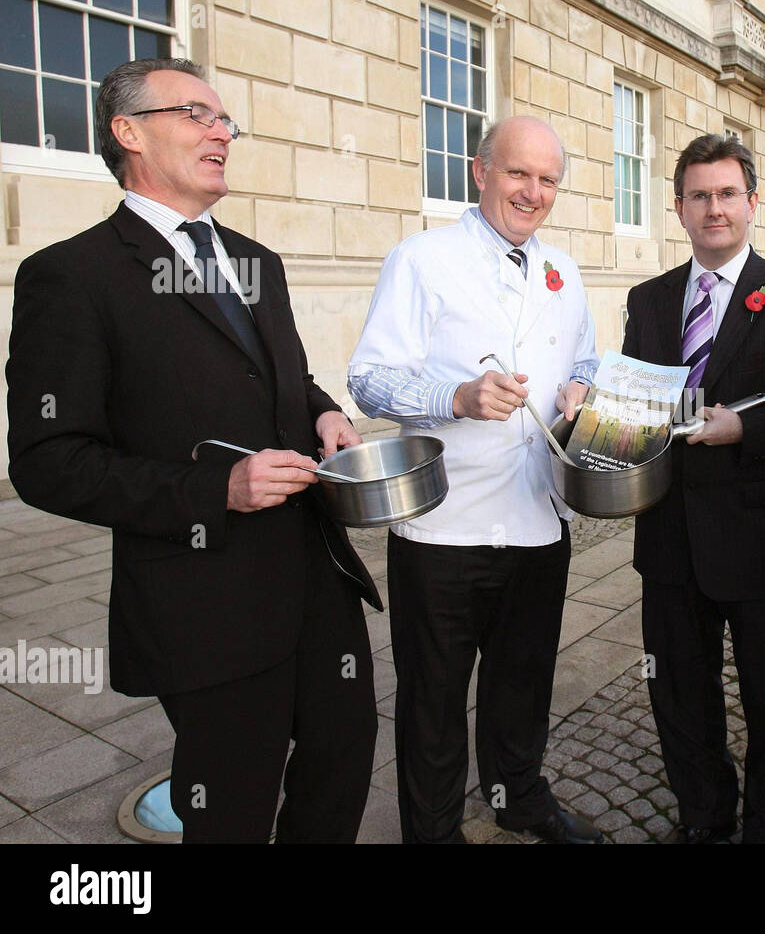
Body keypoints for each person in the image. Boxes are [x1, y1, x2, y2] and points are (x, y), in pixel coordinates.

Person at [6, 58, 382, 843]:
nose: (222, 134)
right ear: (128, 131)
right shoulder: (70, 276)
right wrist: (219, 490)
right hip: (201, 599)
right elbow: (48, 460)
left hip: (315, 574)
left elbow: (285, 378)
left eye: (226, 122)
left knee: (344, 757)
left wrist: (323, 414)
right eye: (198, 115)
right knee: (231, 804)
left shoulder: (257, 260)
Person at [348, 116, 602, 844]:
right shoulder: (422, 258)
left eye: (548, 179)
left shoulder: (564, 269)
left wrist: (580, 389)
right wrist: (454, 398)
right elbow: (368, 381)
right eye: (519, 173)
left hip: (539, 514)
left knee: (522, 685)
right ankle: (431, 834)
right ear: (480, 171)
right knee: (433, 700)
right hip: (444, 526)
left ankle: (519, 796)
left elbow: (583, 357)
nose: (533, 192)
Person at [621, 134, 765, 843]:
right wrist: (590, 404)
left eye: (727, 194)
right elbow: (634, 402)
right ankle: (706, 819)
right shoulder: (647, 300)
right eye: (699, 196)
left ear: (752, 202)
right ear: (678, 207)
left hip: (763, 535)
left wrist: (748, 432)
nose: (714, 209)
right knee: (681, 696)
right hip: (670, 534)